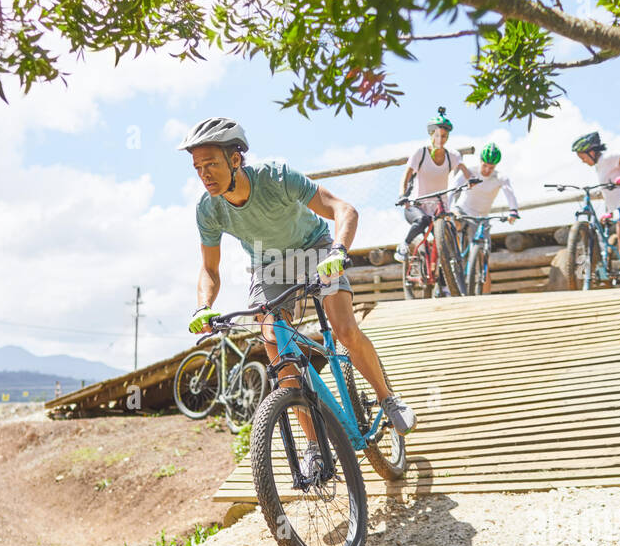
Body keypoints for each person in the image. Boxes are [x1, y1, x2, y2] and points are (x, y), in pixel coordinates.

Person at [181, 117, 418, 470]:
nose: (204, 174)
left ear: (235, 159)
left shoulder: (276, 177)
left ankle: (388, 399)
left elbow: (343, 209)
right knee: (278, 351)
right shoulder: (209, 208)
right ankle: (314, 447)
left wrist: (338, 251)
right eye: (198, 167)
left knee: (343, 329)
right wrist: (203, 306)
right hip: (269, 267)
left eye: (211, 164)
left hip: (316, 250)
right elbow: (210, 269)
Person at [393, 107, 475, 263]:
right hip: (417, 205)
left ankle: (446, 283)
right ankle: (404, 245)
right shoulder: (421, 153)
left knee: (447, 238)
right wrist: (402, 195)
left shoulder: (453, 156)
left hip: (439, 207)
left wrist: (471, 180)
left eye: (444, 136)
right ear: (431, 135)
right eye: (437, 135)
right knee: (422, 220)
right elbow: (406, 176)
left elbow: (466, 172)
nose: (440, 139)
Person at [570, 131, 620, 288]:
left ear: (592, 152)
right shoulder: (599, 166)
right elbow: (611, 193)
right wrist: (609, 211)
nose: (583, 161)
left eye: (583, 157)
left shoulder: (607, 158)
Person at [449, 142, 519, 294]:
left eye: (491, 167)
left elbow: (510, 193)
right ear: (480, 161)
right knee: (454, 220)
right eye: (485, 165)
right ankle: (451, 254)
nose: (487, 170)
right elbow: (452, 190)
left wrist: (513, 211)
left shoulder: (500, 177)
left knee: (483, 259)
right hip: (463, 211)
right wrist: (449, 209)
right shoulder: (470, 172)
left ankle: (485, 296)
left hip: (482, 217)